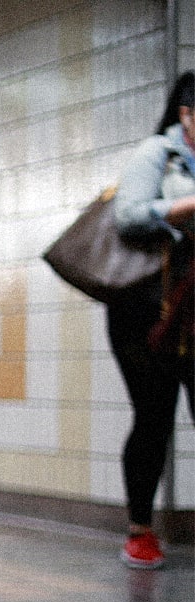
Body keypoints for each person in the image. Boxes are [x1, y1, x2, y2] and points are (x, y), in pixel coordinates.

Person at [108, 71, 195, 570]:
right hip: (146, 311)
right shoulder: (155, 155)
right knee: (154, 416)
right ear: (186, 114)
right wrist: (184, 205)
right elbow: (129, 214)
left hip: (193, 308)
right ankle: (140, 530)